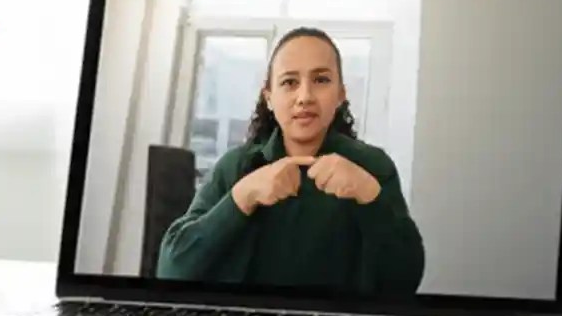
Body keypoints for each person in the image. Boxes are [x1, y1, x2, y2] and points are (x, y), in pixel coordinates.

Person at [156, 27, 424, 298]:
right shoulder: (235, 167)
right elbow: (172, 270)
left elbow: (404, 283)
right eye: (289, 82)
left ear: (341, 94)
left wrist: (370, 196)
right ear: (269, 97)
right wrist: (241, 197)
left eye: (321, 80)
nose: (305, 97)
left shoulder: (374, 166)